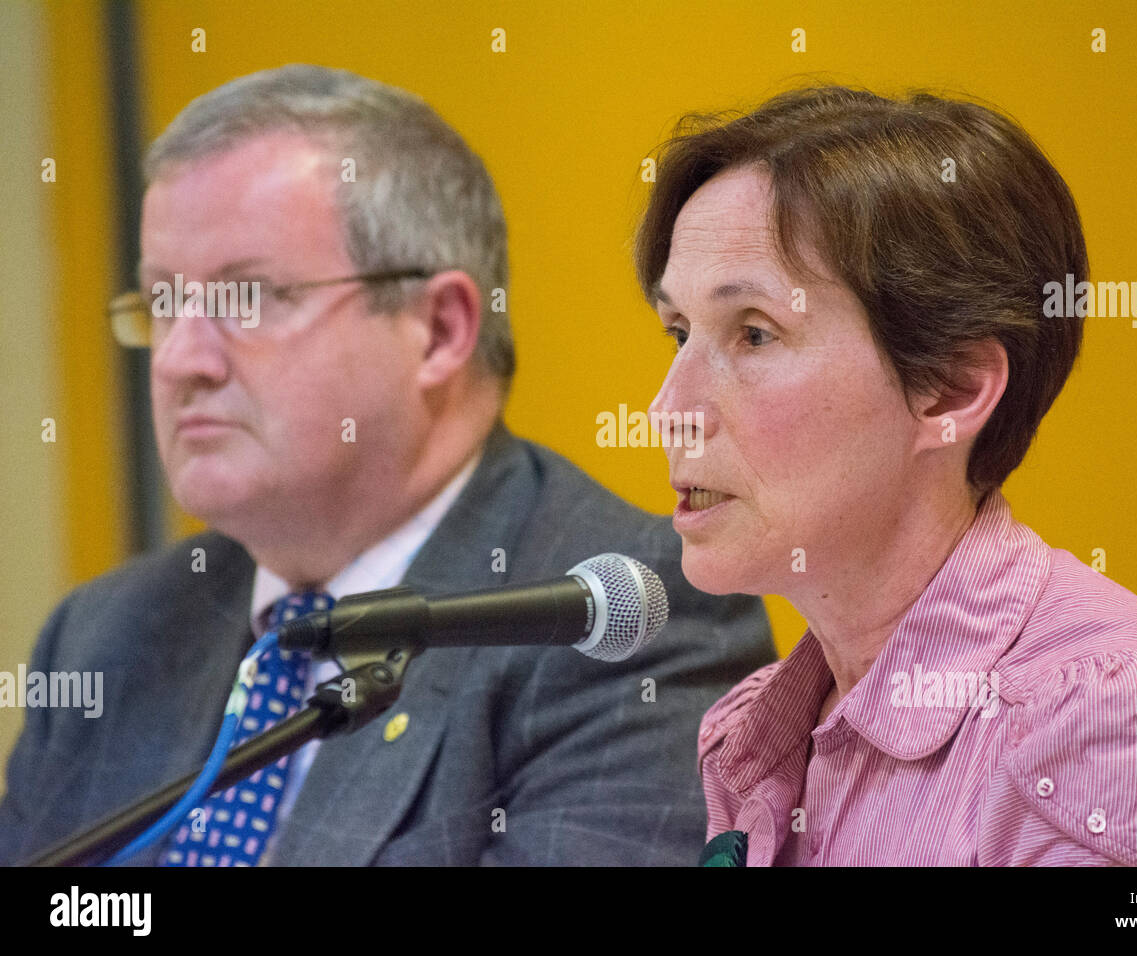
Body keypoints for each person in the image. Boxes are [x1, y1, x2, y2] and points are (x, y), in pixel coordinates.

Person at [0, 64, 774, 866]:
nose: (178, 361)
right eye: (163, 304)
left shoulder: (617, 619)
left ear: (438, 330)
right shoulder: (108, 635)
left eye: (247, 298)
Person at [634, 86, 1137, 866]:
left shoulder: (1109, 724)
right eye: (678, 332)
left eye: (754, 333)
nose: (667, 410)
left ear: (951, 390)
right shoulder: (756, 728)